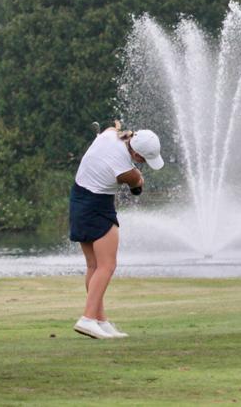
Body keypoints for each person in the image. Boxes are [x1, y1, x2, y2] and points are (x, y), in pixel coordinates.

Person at [69, 122, 164, 339]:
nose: (143, 163)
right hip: (97, 205)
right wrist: (139, 178)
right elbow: (136, 186)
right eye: (143, 160)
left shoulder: (110, 134)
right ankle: (87, 318)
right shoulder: (126, 168)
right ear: (138, 155)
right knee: (108, 265)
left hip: (78, 199)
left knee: (94, 265)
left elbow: (110, 130)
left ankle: (99, 320)